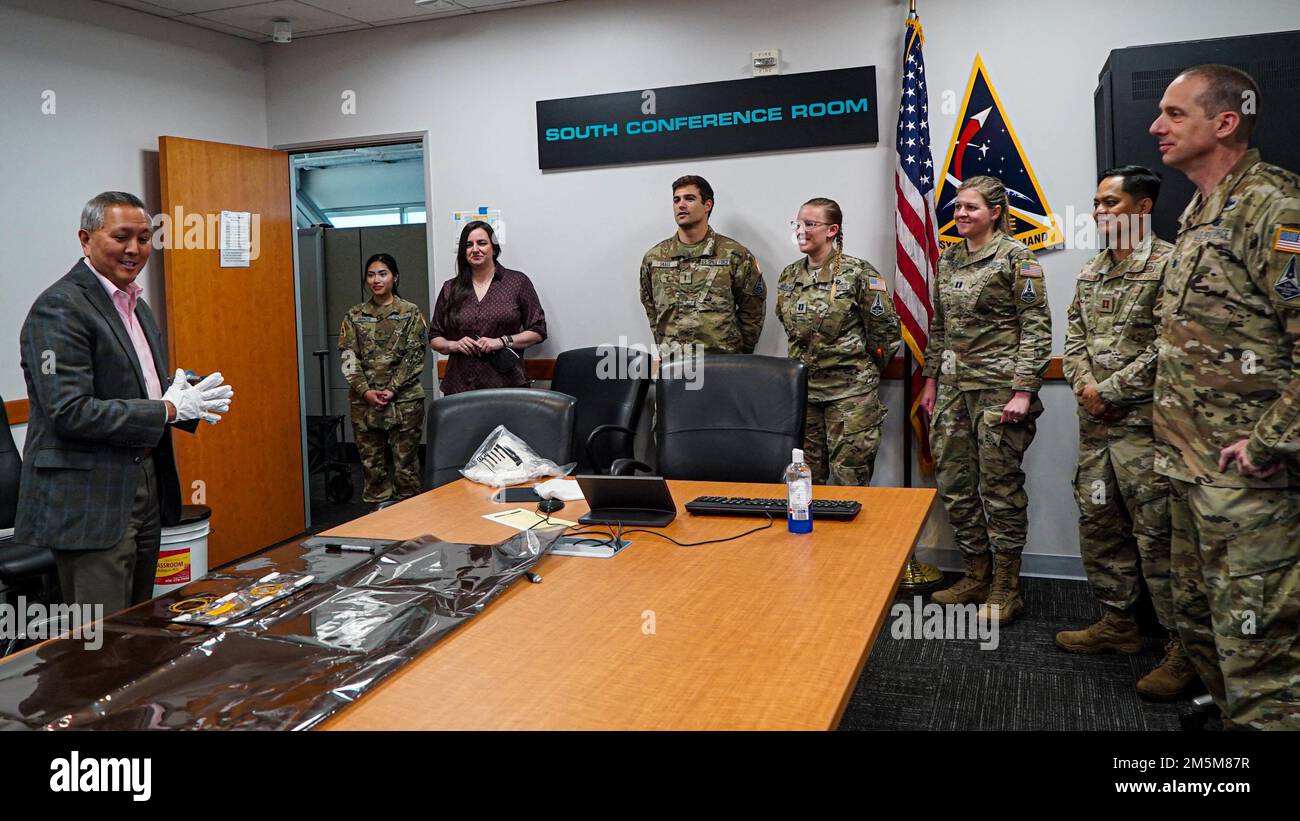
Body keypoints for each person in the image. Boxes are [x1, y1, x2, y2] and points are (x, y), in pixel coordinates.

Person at [1149, 64, 1300, 730]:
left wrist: (1271, 440)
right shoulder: (1199, 211)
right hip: (1189, 471)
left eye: (1175, 113)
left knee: (1262, 660)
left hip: (1249, 485)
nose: (1157, 126)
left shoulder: (1276, 206)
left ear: (1225, 121)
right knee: (1199, 629)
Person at [16, 192, 234, 613]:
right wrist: (168, 410)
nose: (134, 249)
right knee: (100, 635)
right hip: (91, 497)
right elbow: (69, 411)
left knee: (137, 622)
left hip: (145, 478)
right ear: (85, 239)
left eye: (144, 237)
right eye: (121, 237)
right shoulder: (59, 307)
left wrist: (182, 395)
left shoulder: (135, 304)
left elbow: (136, 389)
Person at [1055, 166, 1196, 700]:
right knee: (1102, 528)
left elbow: (1172, 344)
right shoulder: (1091, 271)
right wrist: (1085, 383)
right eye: (1095, 203)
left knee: (1160, 540)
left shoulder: (1168, 264)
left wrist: (1108, 389)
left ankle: (1183, 649)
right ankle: (1118, 625)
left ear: (1141, 208)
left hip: (1148, 431)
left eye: (1110, 203)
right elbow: (1073, 340)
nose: (1098, 212)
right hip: (1097, 433)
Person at [920, 176, 1051, 624]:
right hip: (953, 389)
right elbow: (940, 326)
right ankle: (976, 573)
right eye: (957, 207)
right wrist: (931, 380)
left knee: (999, 490)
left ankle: (1005, 587)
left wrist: (1023, 390)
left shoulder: (1018, 259)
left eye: (970, 208)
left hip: (999, 392)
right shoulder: (950, 257)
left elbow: (1036, 327)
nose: (960, 215)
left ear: (995, 212)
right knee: (955, 487)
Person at [776, 197, 899, 485]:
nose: (801, 230)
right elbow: (788, 325)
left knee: (850, 482)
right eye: (798, 223)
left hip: (849, 396)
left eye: (810, 224)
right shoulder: (789, 275)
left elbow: (885, 332)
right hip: (805, 395)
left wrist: (860, 374)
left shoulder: (858, 273)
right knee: (804, 483)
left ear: (832, 230)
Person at [639, 175, 766, 357]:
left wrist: (738, 355)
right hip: (673, 364)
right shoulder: (654, 258)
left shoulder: (734, 254)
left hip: (722, 364)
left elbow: (753, 311)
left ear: (708, 205)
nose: (681, 205)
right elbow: (651, 307)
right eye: (676, 200)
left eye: (689, 199)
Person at [339, 253, 428, 505]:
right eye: (371, 274)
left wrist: (391, 389)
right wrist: (366, 391)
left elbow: (414, 356)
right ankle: (377, 528)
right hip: (363, 402)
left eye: (382, 273)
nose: (376, 280)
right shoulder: (355, 315)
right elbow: (347, 357)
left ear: (394, 277)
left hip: (405, 401)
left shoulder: (410, 313)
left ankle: (410, 530)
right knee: (372, 467)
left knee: (406, 468)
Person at [430, 221, 546, 395]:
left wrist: (502, 341)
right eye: (469, 245)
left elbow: (538, 330)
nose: (475, 249)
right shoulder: (450, 288)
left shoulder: (517, 282)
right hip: (460, 386)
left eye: (482, 243)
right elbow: (434, 336)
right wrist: (454, 345)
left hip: (506, 384)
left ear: (493, 247)